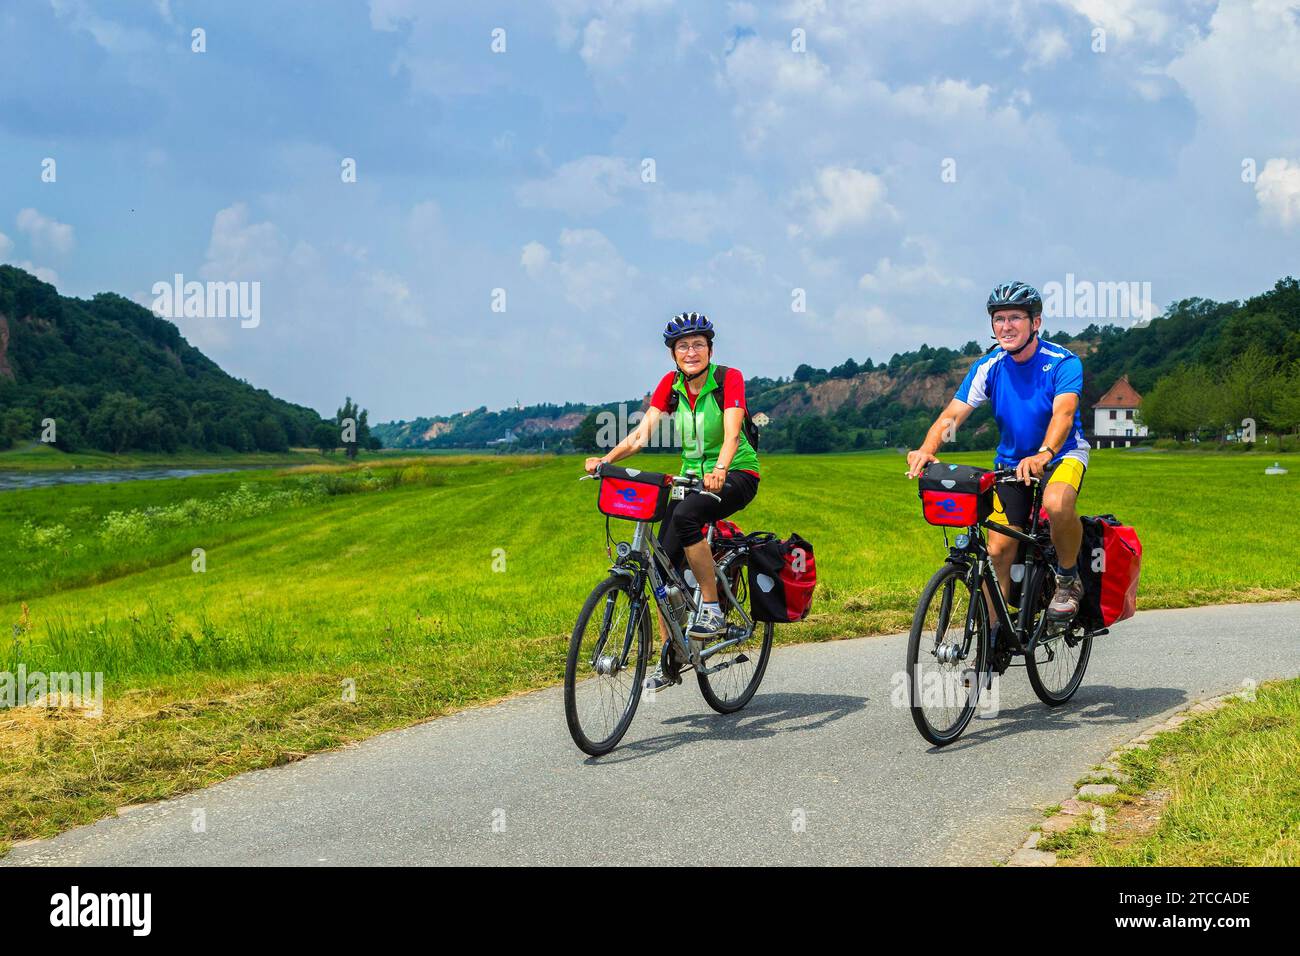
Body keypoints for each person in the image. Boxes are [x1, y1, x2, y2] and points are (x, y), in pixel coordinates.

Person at [584, 312, 761, 686]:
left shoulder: (728, 379)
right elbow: (640, 436)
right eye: (683, 346)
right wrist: (605, 460)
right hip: (692, 477)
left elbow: (732, 434)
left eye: (698, 344)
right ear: (673, 354)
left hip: (736, 474)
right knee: (661, 566)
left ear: (710, 349)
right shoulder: (671, 385)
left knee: (686, 518)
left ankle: (711, 606)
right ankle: (671, 658)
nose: (691, 352)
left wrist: (721, 469)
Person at [906, 281, 1090, 622]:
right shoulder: (989, 366)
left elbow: (1063, 414)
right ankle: (993, 637)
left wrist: (1044, 453)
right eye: (999, 319)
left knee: (1056, 503)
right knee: (998, 550)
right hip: (1010, 464)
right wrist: (927, 449)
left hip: (1061, 454)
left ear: (1036, 322)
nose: (1006, 326)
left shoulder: (1062, 362)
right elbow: (953, 416)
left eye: (1015, 318)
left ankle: (1067, 580)